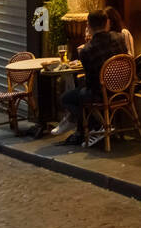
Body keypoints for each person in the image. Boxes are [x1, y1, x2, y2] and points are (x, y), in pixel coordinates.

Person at [52, 10, 128, 144]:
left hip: (103, 94)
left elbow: (91, 81)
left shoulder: (87, 50)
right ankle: (84, 127)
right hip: (124, 89)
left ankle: (95, 126)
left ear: (88, 26)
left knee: (68, 98)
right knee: (82, 92)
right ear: (107, 23)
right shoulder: (119, 38)